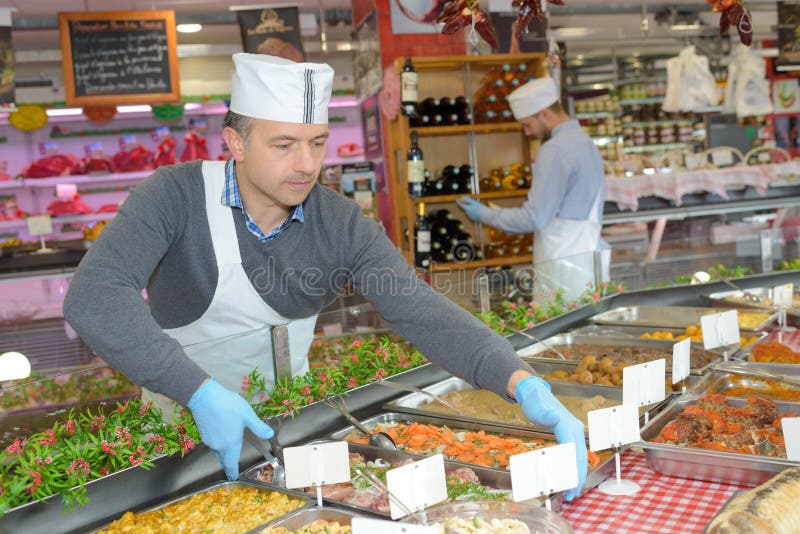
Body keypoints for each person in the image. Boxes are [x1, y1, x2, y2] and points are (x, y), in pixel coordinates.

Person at [63, 54, 588, 500]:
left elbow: (419, 309)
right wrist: (198, 392)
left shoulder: (339, 222)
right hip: (176, 439)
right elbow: (94, 296)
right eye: (284, 144)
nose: (306, 164)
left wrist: (519, 380)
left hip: (289, 434)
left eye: (317, 143)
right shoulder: (174, 197)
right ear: (235, 143)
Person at [456, 78, 607, 301]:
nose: (527, 132)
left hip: (563, 264)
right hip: (588, 259)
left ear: (544, 113)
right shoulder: (585, 142)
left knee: (560, 319)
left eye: (527, 124)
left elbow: (535, 218)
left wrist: (484, 214)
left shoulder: (554, 150)